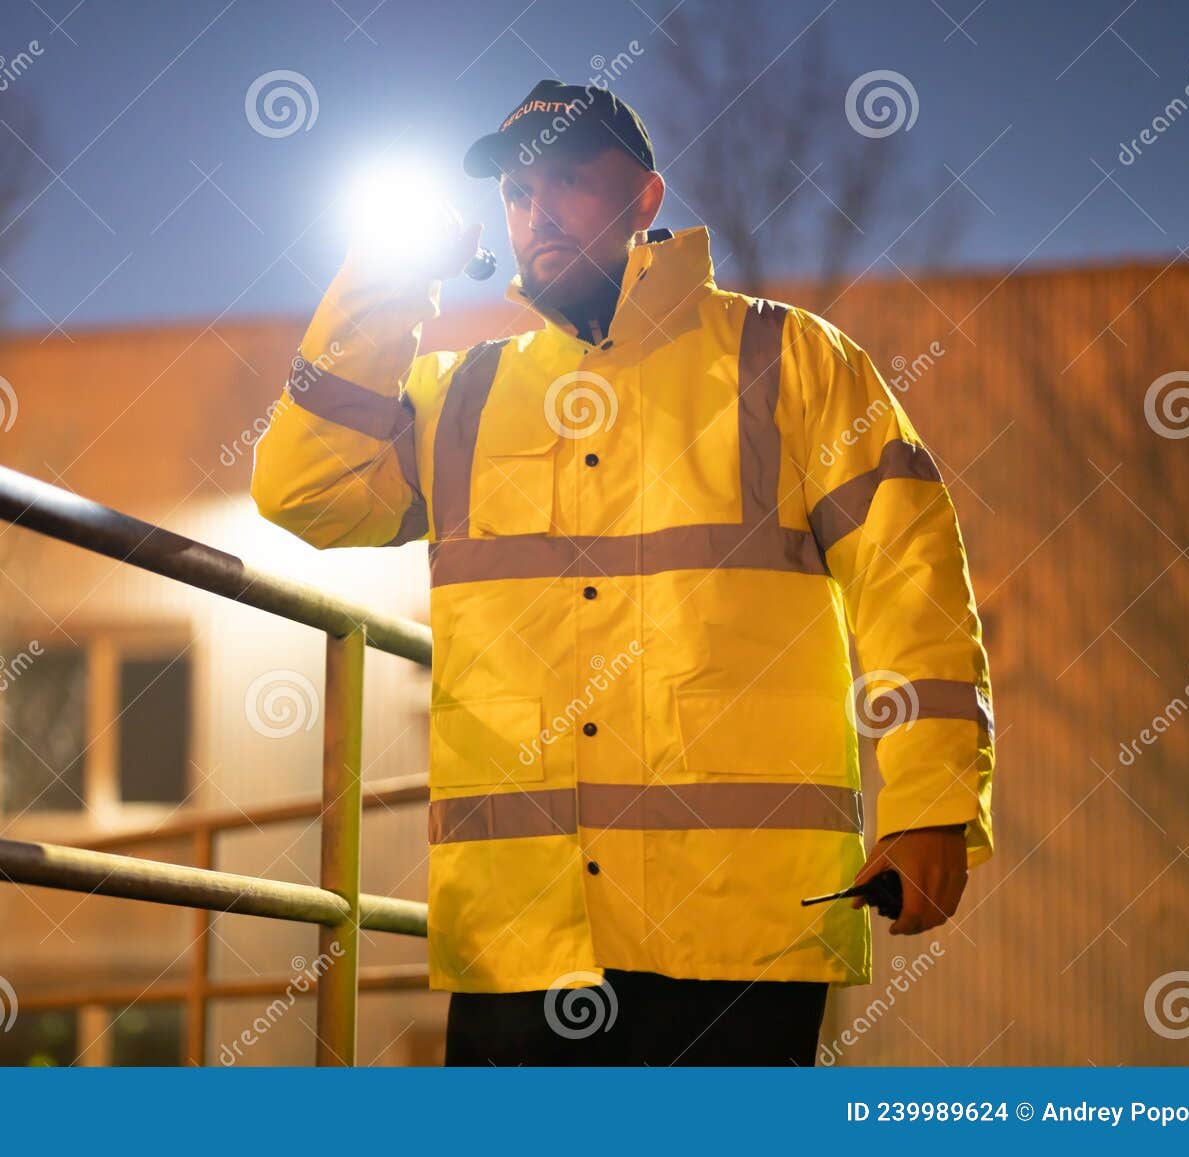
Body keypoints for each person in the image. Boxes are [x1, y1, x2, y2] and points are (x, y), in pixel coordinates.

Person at [250, 80, 995, 1066]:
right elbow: (302, 488)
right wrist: (387, 285)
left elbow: (911, 576)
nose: (536, 210)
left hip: (737, 922)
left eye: (568, 179)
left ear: (644, 198)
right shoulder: (461, 395)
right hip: (521, 933)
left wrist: (931, 802)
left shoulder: (791, 361)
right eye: (516, 193)